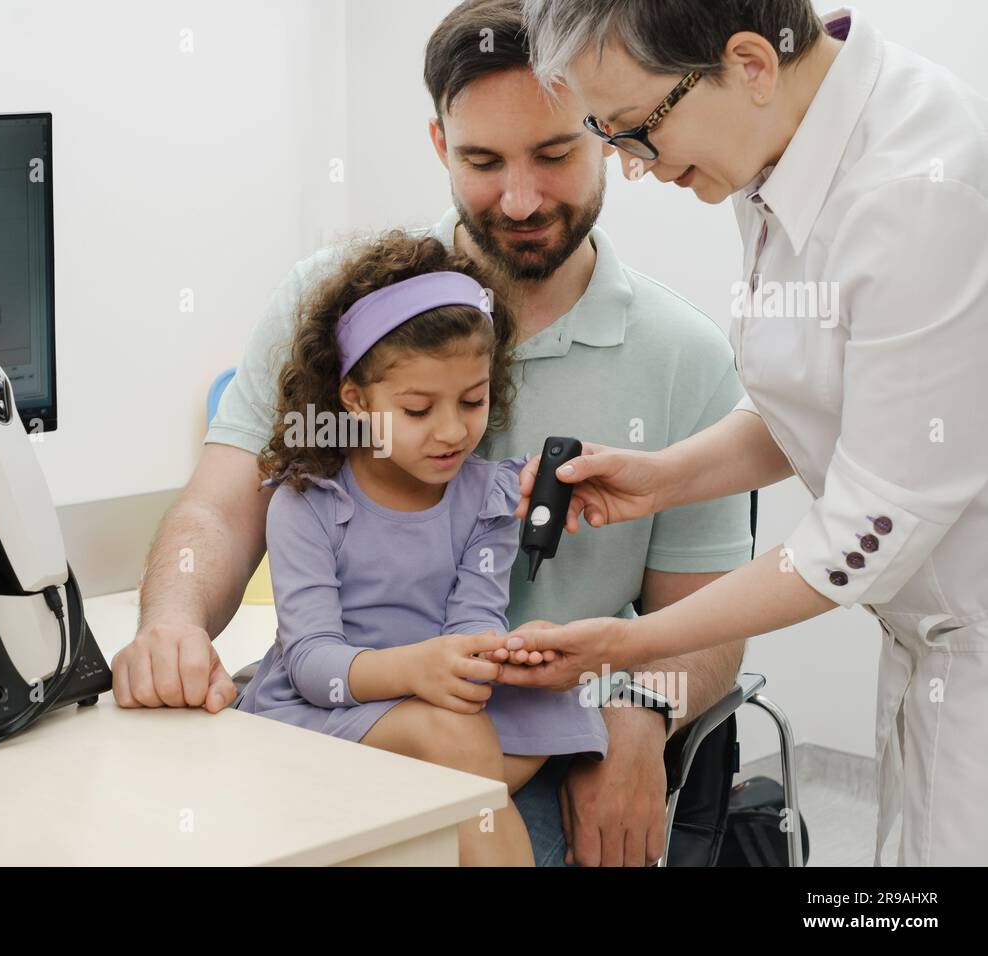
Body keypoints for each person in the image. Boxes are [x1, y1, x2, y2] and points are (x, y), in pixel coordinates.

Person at [113, 0, 754, 867]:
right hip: (340, 720)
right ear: (437, 144)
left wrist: (642, 712)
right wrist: (173, 621)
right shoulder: (334, 306)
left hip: (541, 756)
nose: (521, 199)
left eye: (556, 153)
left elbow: (707, 620)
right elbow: (221, 515)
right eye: (482, 160)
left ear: (607, 132)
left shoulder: (686, 357)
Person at [504, 0, 988, 865]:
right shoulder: (783, 150)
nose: (636, 169)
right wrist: (664, 476)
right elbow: (814, 400)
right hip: (929, 639)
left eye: (635, 132)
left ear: (751, 64)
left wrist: (634, 646)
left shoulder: (918, 196)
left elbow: (866, 531)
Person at [236, 230, 607, 866]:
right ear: (355, 400)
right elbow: (313, 661)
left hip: (433, 698)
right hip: (333, 702)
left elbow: (473, 619)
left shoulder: (489, 498)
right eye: (416, 410)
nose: (452, 431)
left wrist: (497, 653)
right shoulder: (307, 505)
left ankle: (425, 808)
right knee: (454, 737)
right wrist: (417, 671)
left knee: (554, 703)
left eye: (473, 401)